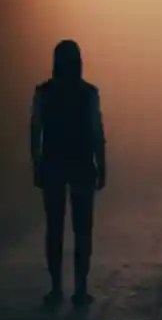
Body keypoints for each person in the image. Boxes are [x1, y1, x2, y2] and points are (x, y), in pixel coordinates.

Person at [30, 39, 106, 306]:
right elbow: (97, 132)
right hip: (82, 165)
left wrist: (36, 164)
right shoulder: (89, 93)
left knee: (55, 228)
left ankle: (55, 289)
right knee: (82, 229)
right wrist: (102, 164)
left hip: (52, 165)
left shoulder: (44, 92)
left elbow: (35, 130)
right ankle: (80, 289)